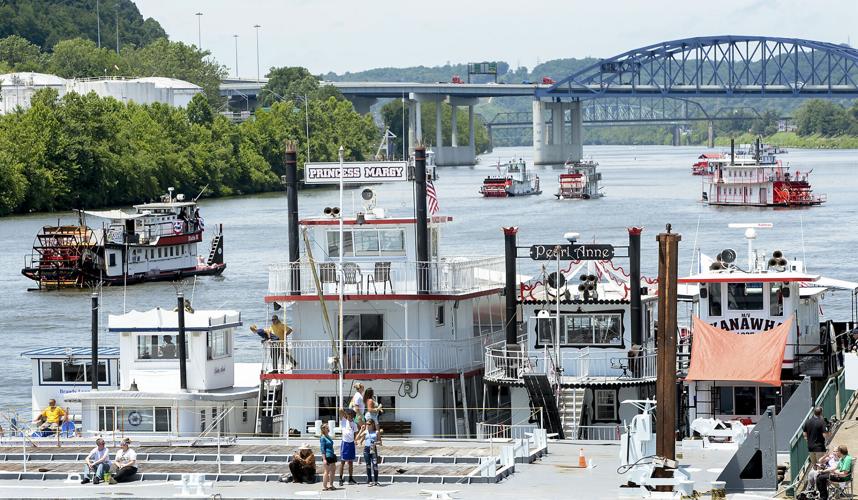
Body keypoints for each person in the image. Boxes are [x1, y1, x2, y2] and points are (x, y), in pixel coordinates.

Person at [357, 419, 381, 486]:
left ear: (372, 424)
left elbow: (380, 442)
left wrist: (375, 443)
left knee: (375, 465)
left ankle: (376, 480)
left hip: (373, 449)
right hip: (366, 449)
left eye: (369, 424)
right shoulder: (365, 432)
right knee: (368, 465)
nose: (367, 425)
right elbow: (357, 438)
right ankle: (370, 481)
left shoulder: (376, 432)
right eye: (366, 424)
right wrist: (361, 430)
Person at [338, 408, 359, 486]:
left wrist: (356, 440)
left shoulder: (354, 424)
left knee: (350, 462)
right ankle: (340, 478)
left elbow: (356, 434)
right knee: (342, 462)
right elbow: (340, 410)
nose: (350, 416)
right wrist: (345, 411)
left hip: (351, 444)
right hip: (345, 443)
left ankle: (350, 478)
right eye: (349, 415)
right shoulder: (344, 421)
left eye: (351, 415)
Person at [319, 423, 337, 491]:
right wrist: (324, 459)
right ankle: (325, 486)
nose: (328, 429)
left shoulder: (328, 436)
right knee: (327, 471)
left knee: (333, 470)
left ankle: (331, 484)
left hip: (331, 455)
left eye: (328, 427)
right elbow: (322, 449)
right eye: (327, 428)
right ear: (323, 429)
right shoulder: (323, 438)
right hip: (327, 455)